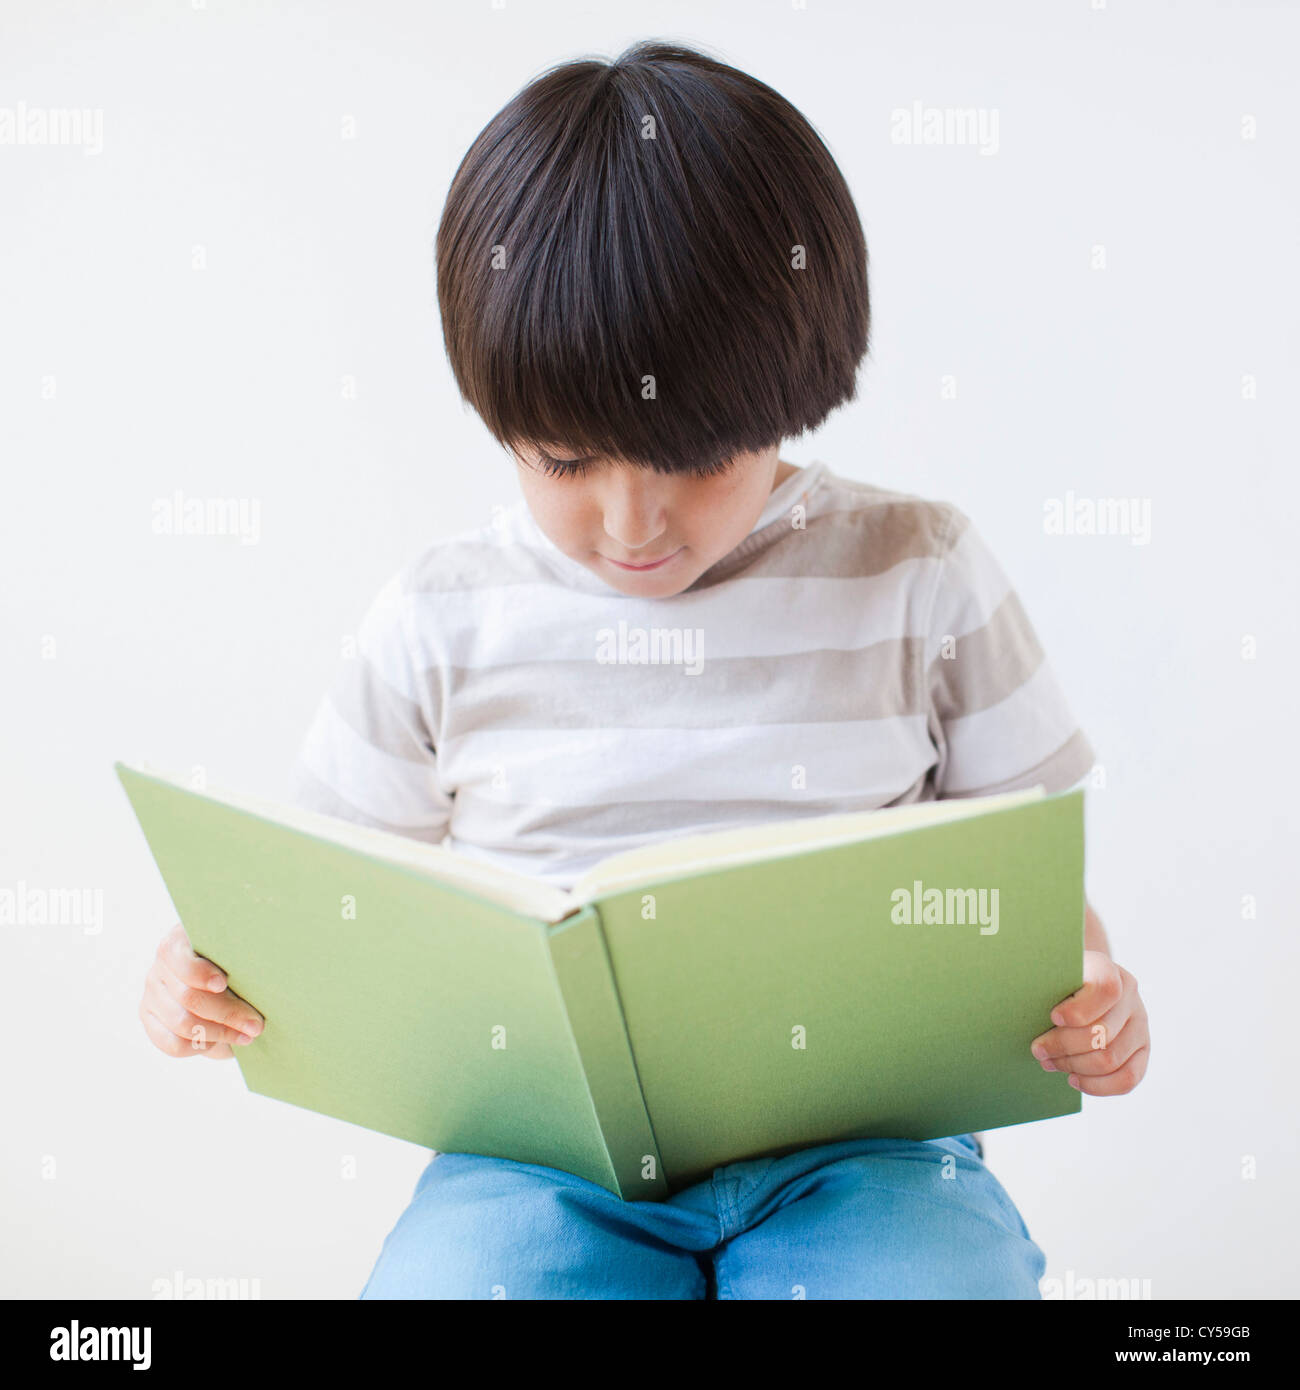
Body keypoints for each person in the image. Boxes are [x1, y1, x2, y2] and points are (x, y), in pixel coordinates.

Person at [138, 39, 1149, 1299]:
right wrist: (200, 969)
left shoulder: (919, 572)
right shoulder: (442, 618)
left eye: (697, 463)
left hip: (871, 1150)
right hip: (535, 1163)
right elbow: (320, 902)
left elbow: (1039, 899)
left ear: (797, 389)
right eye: (565, 462)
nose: (631, 527)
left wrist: (1097, 999)